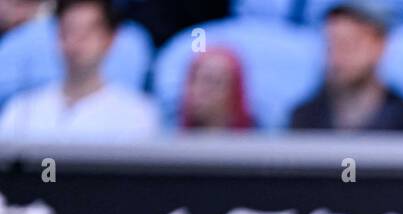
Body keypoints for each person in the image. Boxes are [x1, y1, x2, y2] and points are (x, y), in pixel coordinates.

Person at [0, 0, 160, 141]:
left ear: (110, 38)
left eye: (87, 32)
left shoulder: (137, 115)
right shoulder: (21, 110)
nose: (76, 42)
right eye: (68, 31)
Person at [290, 1, 403, 132]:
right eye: (331, 46)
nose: (338, 57)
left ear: (380, 45)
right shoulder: (304, 119)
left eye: (349, 45)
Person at [179, 47, 255, 130]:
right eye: (194, 79)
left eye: (211, 81)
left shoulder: (258, 135)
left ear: (234, 92)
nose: (197, 91)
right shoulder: (170, 129)